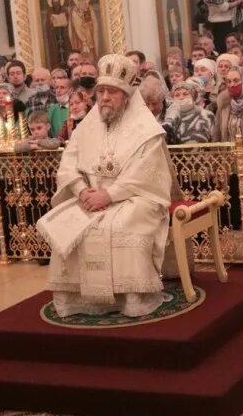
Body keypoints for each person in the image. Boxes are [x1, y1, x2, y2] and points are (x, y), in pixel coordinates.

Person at [38, 54, 173, 318]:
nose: (105, 98)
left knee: (118, 226)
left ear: (126, 95)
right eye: (101, 91)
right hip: (89, 196)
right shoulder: (86, 127)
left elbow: (146, 174)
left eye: (112, 91)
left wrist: (109, 195)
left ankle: (131, 297)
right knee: (72, 225)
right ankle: (80, 299)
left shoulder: (146, 130)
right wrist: (80, 190)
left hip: (134, 198)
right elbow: (68, 163)